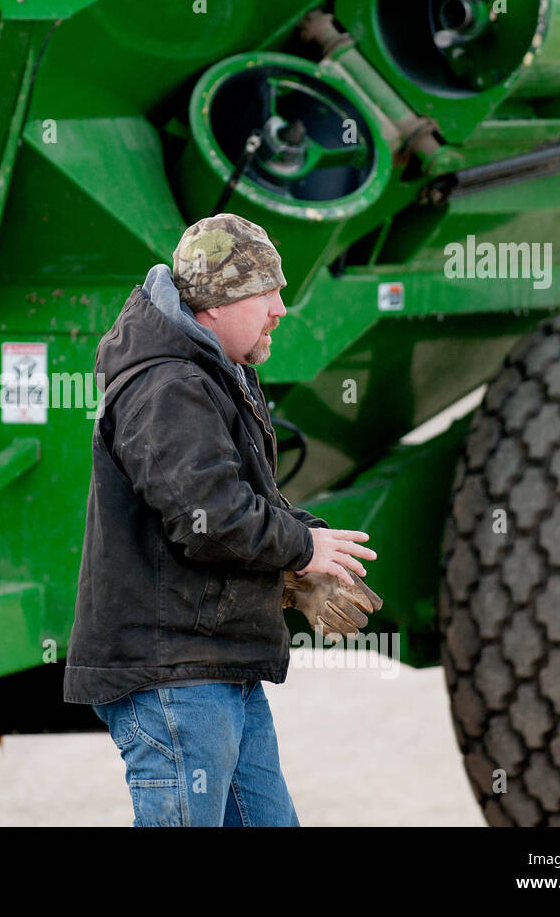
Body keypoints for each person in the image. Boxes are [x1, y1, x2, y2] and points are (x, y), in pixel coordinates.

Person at [64, 212, 377, 826]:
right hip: (175, 678)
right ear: (215, 304)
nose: (280, 309)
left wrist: (301, 551)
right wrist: (301, 551)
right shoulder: (167, 384)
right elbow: (207, 516)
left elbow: (233, 502)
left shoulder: (214, 374)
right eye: (268, 292)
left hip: (216, 665)